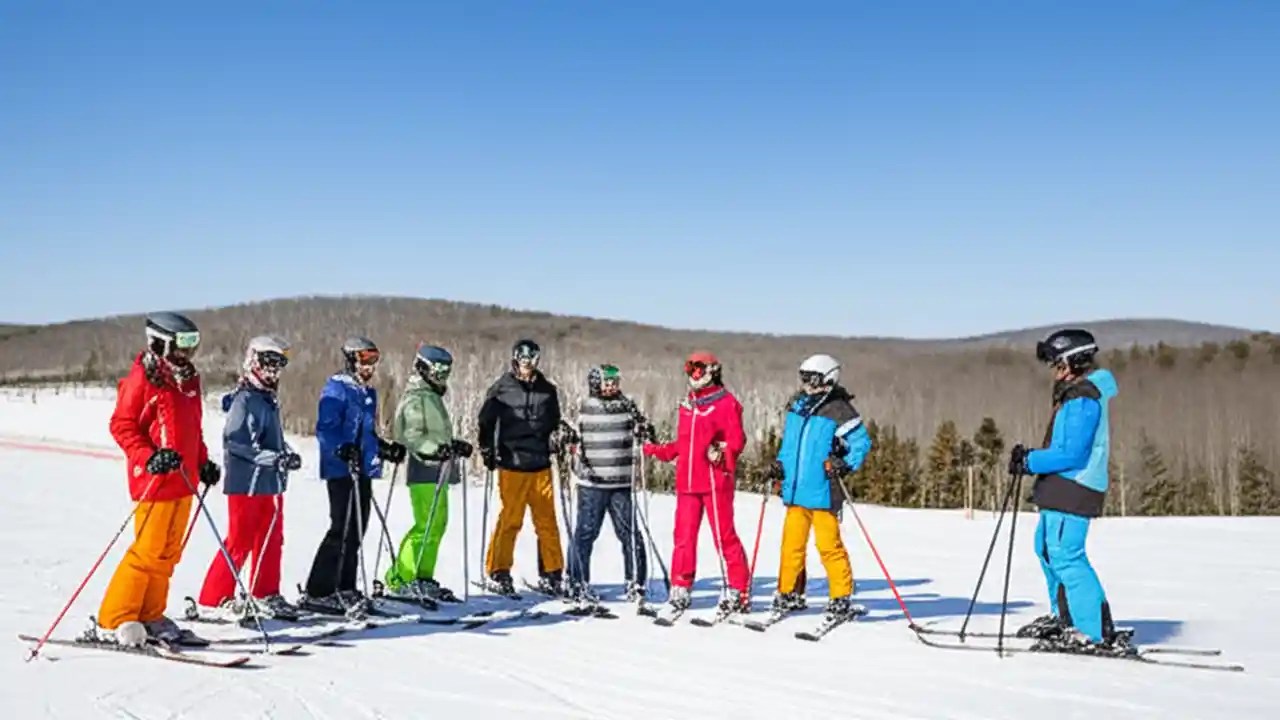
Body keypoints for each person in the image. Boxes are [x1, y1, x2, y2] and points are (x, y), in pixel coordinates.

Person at [94, 312, 219, 647]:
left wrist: (203, 462)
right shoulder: (143, 378)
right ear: (160, 342)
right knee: (147, 551)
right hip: (155, 480)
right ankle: (115, 617)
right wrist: (149, 457)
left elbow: (193, 428)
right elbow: (122, 425)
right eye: (182, 344)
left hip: (184, 480)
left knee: (168, 553)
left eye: (193, 344)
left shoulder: (188, 380)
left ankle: (151, 614)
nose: (187, 352)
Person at [1008, 328, 1123, 653]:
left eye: (1059, 364)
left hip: (1076, 484)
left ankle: (1093, 632)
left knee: (1066, 555)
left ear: (1076, 361)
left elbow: (1072, 453)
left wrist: (1030, 460)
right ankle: (1065, 617)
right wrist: (1031, 459)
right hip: (1061, 484)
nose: (1055, 371)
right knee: (1046, 549)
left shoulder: (1083, 398)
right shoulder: (1074, 394)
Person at [196, 335, 302, 621]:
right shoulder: (245, 400)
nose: (274, 370)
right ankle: (214, 598)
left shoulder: (267, 399)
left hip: (269, 482)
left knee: (271, 537)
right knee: (240, 538)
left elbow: (272, 440)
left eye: (279, 363)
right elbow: (236, 443)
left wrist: (286, 454)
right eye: (269, 362)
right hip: (246, 483)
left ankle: (264, 593)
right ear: (253, 360)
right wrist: (273, 458)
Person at [300, 336, 406, 616]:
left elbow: (366, 434)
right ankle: (318, 591)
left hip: (362, 468)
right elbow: (326, 428)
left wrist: (384, 449)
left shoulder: (367, 393)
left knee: (357, 530)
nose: (370, 366)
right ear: (351, 359)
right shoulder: (337, 388)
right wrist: (342, 448)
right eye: (365, 360)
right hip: (340, 468)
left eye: (374, 360)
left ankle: (345, 586)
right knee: (340, 529)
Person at [643, 350, 751, 617]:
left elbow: (737, 440)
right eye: (690, 369)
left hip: (714, 481)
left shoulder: (726, 403)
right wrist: (656, 450)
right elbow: (685, 443)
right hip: (688, 483)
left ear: (712, 371)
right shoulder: (688, 404)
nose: (694, 374)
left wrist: (721, 451)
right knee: (683, 537)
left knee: (724, 536)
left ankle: (738, 588)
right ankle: (681, 585)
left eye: (699, 369)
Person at [767, 353, 872, 625]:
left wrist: (844, 463)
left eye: (811, 379)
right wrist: (780, 465)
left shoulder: (839, 409)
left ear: (827, 378)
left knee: (828, 546)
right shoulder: (798, 405)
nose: (806, 384)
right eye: (803, 378)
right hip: (796, 490)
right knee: (791, 546)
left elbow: (861, 443)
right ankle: (788, 592)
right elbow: (790, 445)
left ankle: (840, 597)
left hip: (823, 490)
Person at [382, 343, 473, 603]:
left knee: (437, 524)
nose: (442, 377)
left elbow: (433, 434)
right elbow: (411, 436)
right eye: (438, 371)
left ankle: (422, 576)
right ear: (423, 368)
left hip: (438, 469)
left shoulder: (430, 396)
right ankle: (400, 578)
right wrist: (437, 449)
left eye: (446, 372)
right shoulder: (416, 397)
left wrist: (453, 445)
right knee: (426, 525)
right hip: (423, 467)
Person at [477, 338, 567, 596]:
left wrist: (561, 437)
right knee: (510, 520)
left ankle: (552, 572)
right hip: (512, 463)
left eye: (532, 359)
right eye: (523, 358)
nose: (527, 364)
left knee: (546, 522)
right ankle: (498, 570)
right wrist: (487, 449)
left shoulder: (547, 390)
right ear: (515, 358)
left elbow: (554, 423)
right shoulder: (501, 389)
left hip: (540, 464)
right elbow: (486, 422)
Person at [565, 364, 654, 603]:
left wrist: (644, 431)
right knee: (586, 533)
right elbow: (571, 437)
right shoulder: (583, 406)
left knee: (630, 534)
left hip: (620, 483)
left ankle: (636, 582)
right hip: (592, 482)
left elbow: (644, 429)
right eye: (607, 382)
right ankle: (577, 582)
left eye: (615, 382)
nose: (612, 386)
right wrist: (568, 446)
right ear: (596, 383)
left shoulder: (627, 405)